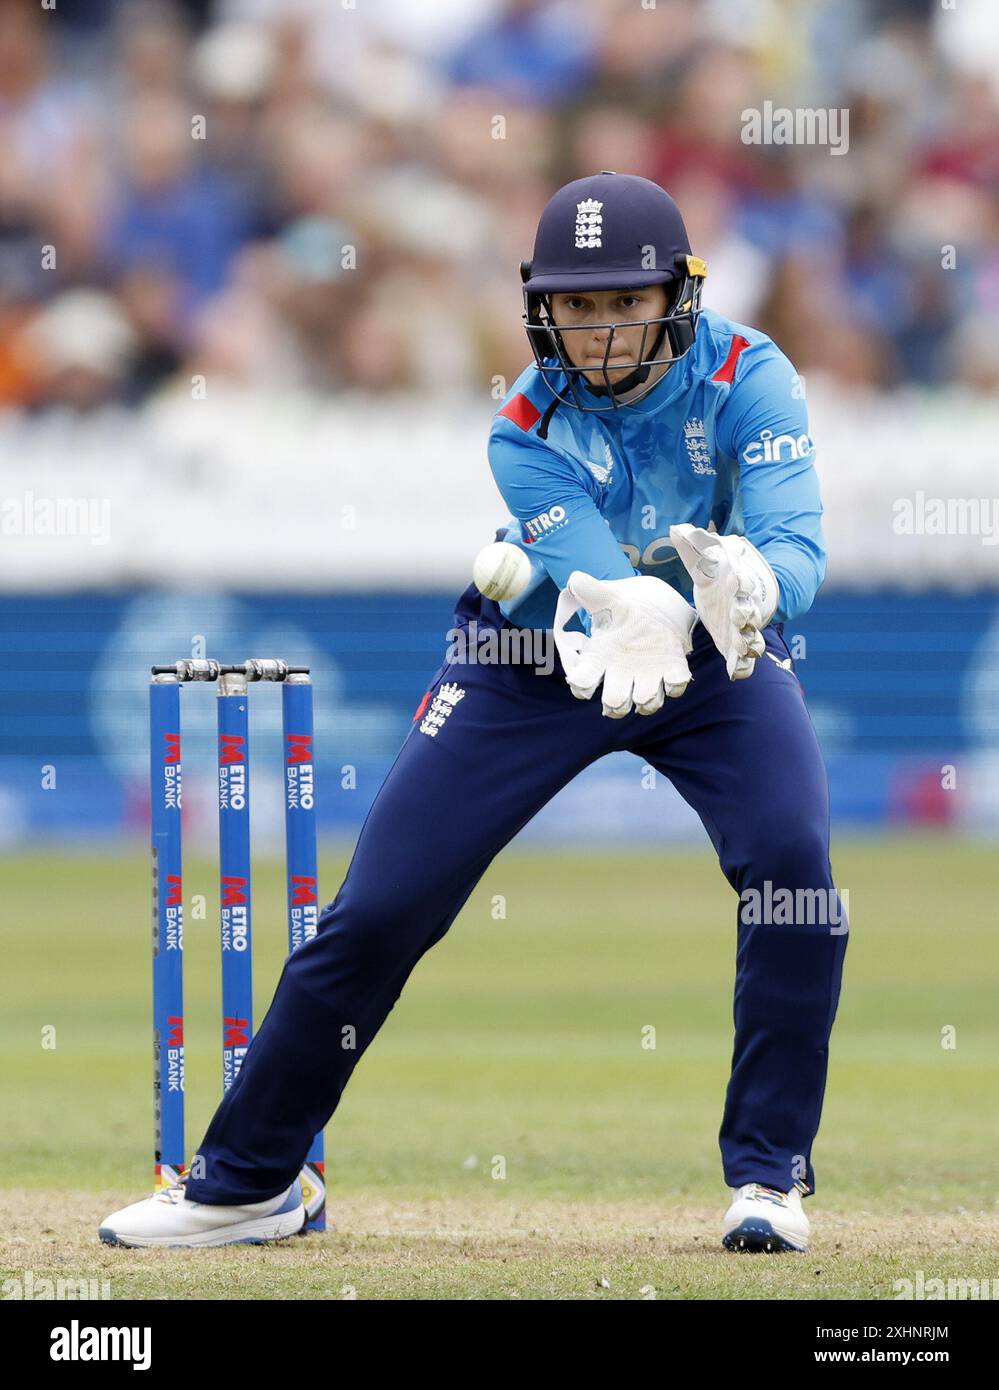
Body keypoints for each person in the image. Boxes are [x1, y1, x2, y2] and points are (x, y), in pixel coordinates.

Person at [100, 172, 848, 1254]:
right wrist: (621, 597)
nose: (598, 333)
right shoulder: (522, 425)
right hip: (532, 657)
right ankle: (250, 1182)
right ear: (542, 307)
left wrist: (758, 587)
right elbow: (598, 587)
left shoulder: (751, 374)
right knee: (382, 908)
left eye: (624, 303)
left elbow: (797, 543)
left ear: (679, 298)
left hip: (716, 648)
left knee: (795, 871)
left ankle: (768, 1176)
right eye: (576, 307)